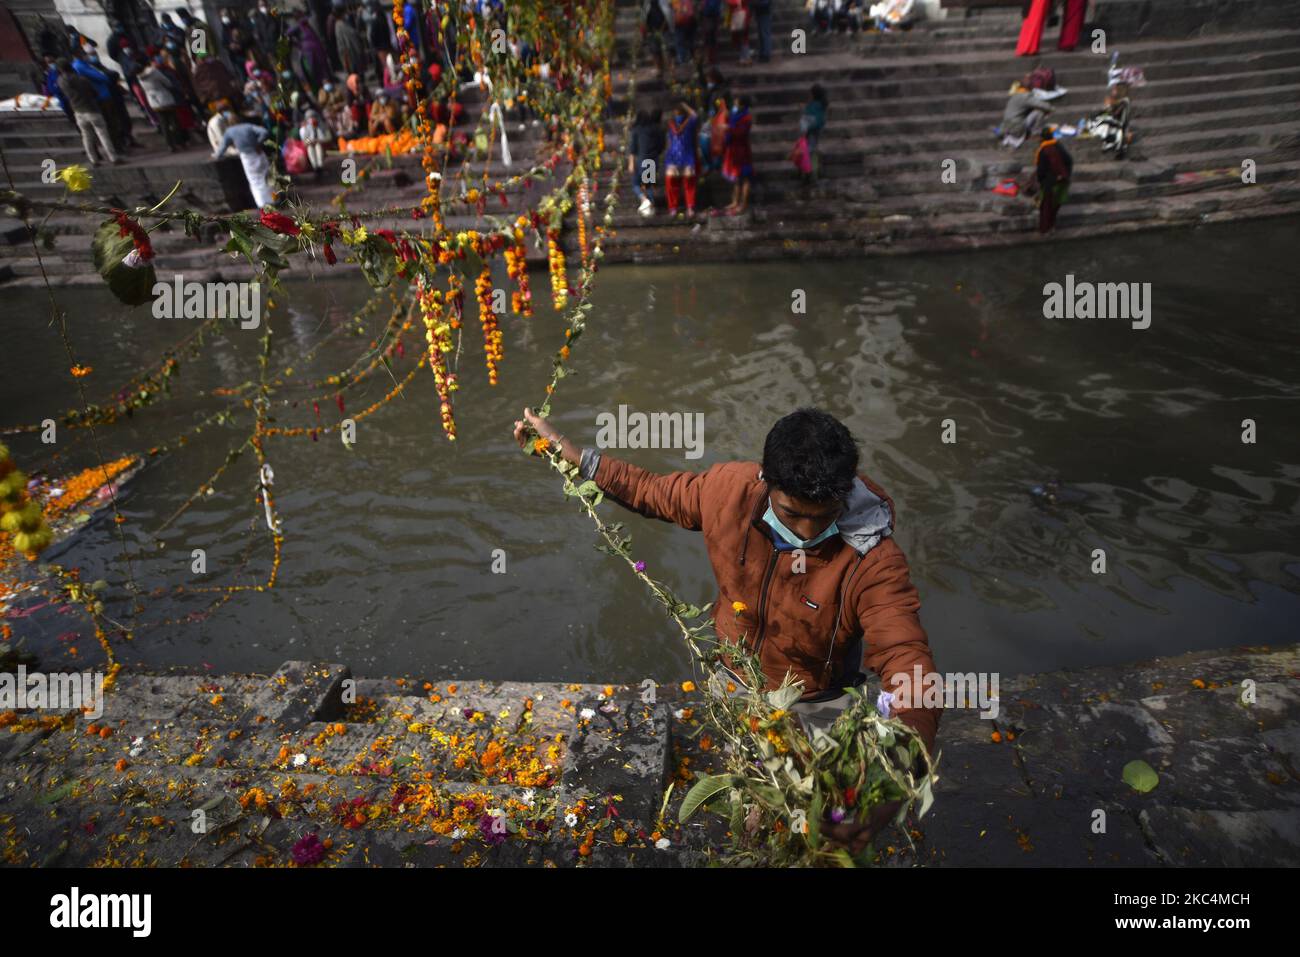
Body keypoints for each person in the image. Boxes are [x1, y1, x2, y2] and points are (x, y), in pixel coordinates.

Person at [512, 405, 941, 851]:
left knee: (813, 832)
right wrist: (563, 449)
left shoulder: (872, 560)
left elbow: (906, 658)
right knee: (750, 809)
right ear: (767, 482)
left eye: (824, 515)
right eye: (792, 513)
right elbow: (649, 490)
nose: (807, 529)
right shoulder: (729, 492)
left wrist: (894, 778)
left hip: (818, 704)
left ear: (844, 495)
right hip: (733, 681)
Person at [57, 60, 119, 166]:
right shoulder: (81, 79)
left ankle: (93, 159)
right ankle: (113, 157)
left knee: (86, 137)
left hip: (77, 111)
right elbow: (94, 93)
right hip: (91, 109)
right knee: (103, 134)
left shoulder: (61, 81)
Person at [213, 116, 275, 208]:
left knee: (254, 180)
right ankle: (274, 199)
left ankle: (263, 203)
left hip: (247, 157)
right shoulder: (248, 126)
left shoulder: (230, 131)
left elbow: (223, 147)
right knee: (267, 176)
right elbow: (264, 132)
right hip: (259, 153)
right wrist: (258, 143)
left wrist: (217, 155)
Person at [138, 54, 186, 151]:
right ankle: (180, 142)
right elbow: (166, 82)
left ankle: (170, 145)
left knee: (164, 124)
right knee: (173, 121)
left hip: (153, 101)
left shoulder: (139, 76)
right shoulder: (154, 72)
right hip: (164, 98)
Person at [1034, 125, 1072, 234]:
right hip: (1062, 181)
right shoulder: (1059, 146)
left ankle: (1045, 229)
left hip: (1050, 183)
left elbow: (1041, 171)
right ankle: (1052, 226)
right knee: (1055, 205)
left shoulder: (1044, 150)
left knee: (1046, 207)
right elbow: (1069, 161)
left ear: (1042, 138)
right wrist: (1066, 175)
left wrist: (1040, 181)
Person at [664, 101, 699, 218]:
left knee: (673, 185)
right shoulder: (689, 122)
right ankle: (688, 208)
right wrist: (685, 105)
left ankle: (674, 208)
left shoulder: (671, 123)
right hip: (686, 156)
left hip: (675, 157)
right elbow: (694, 114)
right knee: (687, 185)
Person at [628, 109, 665, 217]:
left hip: (641, 159)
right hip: (652, 159)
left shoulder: (636, 130)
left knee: (636, 184)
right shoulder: (655, 129)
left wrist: (631, 162)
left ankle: (644, 200)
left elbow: (633, 148)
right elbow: (661, 145)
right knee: (648, 184)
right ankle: (650, 206)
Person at [721, 94, 753, 214]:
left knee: (744, 178)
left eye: (736, 104)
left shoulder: (746, 118)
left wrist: (728, 128)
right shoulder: (735, 116)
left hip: (742, 151)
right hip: (734, 150)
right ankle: (735, 201)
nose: (734, 106)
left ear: (742, 105)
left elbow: (741, 133)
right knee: (736, 178)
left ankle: (743, 204)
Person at [998, 79, 1052, 149]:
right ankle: (1036, 133)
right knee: (1039, 112)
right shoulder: (1026, 96)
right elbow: (1044, 106)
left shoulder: (1015, 95)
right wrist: (1051, 109)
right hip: (1016, 129)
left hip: (1005, 128)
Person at [801, 83, 828, 183]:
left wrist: (804, 130)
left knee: (809, 152)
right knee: (813, 151)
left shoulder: (813, 106)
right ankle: (813, 173)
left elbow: (807, 120)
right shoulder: (821, 105)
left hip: (811, 131)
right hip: (816, 131)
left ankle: (809, 173)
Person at [299, 109, 331, 176]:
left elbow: (329, 137)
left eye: (313, 117)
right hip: (311, 144)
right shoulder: (306, 128)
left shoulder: (322, 126)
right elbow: (304, 141)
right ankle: (315, 167)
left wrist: (319, 140)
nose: (311, 119)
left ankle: (320, 166)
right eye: (309, 118)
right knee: (310, 148)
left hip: (322, 144)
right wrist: (309, 142)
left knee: (318, 146)